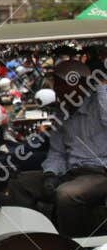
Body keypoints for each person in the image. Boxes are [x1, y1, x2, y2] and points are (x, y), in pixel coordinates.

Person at [26, 59, 107, 237]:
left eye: (62, 85)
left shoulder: (98, 105)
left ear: (80, 85)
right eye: (57, 84)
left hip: (99, 173)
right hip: (72, 172)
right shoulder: (61, 114)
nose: (57, 90)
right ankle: (33, 240)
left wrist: (100, 83)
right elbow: (57, 153)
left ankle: (73, 248)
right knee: (20, 185)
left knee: (66, 195)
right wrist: (50, 174)